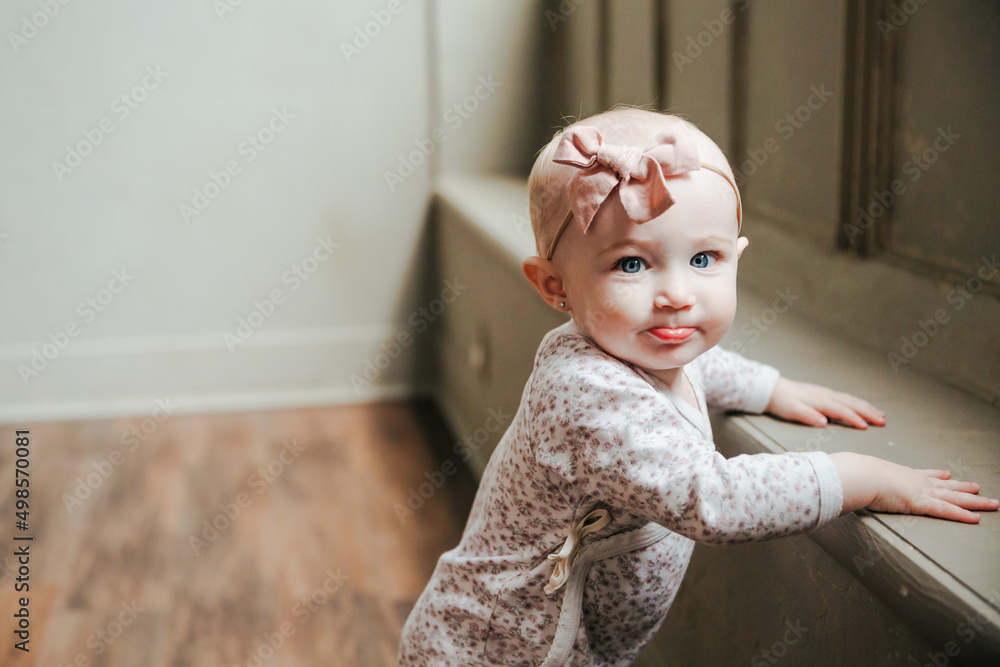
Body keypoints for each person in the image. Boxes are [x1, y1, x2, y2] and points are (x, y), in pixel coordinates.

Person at [397, 107, 998, 666]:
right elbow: (716, 500)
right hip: (496, 651)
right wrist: (857, 477)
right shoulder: (586, 396)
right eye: (632, 264)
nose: (678, 294)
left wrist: (770, 388)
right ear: (555, 286)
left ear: (737, 255)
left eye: (705, 259)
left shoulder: (631, 345)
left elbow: (693, 367)